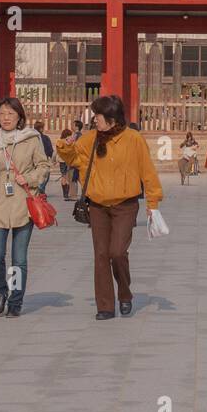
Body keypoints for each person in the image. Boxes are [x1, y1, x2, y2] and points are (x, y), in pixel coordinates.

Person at [56, 95, 163, 321]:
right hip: (98, 206)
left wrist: (153, 203)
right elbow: (74, 158)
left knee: (117, 252)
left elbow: (147, 171)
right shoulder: (91, 139)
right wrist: (64, 147)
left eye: (98, 116)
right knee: (101, 254)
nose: (95, 120)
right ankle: (105, 305)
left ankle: (124, 292)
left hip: (125, 205)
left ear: (112, 118)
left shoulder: (133, 139)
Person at [0, 97, 52, 318]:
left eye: (11, 114)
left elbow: (44, 166)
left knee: (19, 258)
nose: (6, 118)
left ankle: (16, 300)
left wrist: (28, 178)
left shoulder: (31, 139)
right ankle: (0, 291)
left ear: (19, 117)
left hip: (23, 205)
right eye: (2, 114)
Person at [33, 121, 54, 193]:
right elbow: (50, 150)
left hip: (33, 160)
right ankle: (41, 188)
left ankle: (37, 189)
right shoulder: (45, 138)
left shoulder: (31, 138)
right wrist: (49, 156)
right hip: (43, 159)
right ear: (41, 129)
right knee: (45, 175)